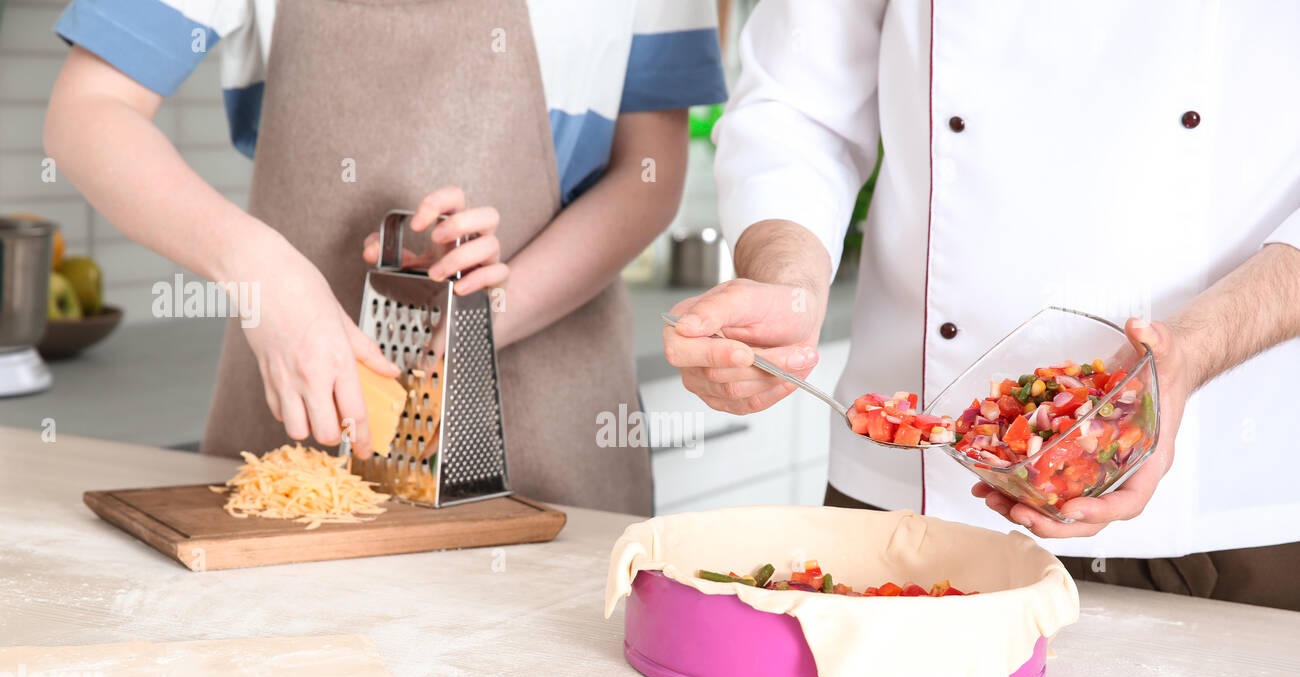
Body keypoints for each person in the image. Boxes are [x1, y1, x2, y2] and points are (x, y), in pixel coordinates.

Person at [663, 0, 1300, 609]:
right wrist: (787, 282)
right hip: (910, 509)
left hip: (1223, 507)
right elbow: (796, 109)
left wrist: (1191, 350)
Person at [45, 0, 728, 515]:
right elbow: (88, 111)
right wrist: (260, 273)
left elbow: (649, 171)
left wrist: (491, 312)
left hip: (559, 418)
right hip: (294, 413)